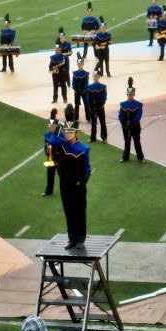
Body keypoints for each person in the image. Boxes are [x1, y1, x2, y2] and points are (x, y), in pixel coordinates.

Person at [56, 119, 92, 248]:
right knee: (68, 211)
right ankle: (72, 238)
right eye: (66, 132)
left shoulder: (84, 148)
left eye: (71, 132)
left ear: (76, 132)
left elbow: (87, 168)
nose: (68, 134)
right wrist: (57, 127)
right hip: (65, 185)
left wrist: (82, 181)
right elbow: (52, 141)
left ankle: (80, 239)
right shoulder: (62, 145)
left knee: (79, 211)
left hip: (77, 185)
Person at [118, 77, 144, 162]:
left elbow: (138, 116)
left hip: (135, 126)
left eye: (131, 94)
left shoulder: (138, 104)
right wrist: (124, 124)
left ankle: (140, 157)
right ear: (127, 94)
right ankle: (125, 157)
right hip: (126, 126)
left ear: (134, 94)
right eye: (129, 94)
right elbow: (120, 115)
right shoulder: (123, 104)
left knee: (137, 141)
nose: (130, 96)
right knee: (127, 142)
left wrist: (133, 124)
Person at [41, 110, 64, 197]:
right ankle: (48, 191)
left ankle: (65, 190)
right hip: (51, 157)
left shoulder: (61, 135)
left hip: (59, 156)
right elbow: (45, 145)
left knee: (62, 174)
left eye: (53, 126)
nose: (51, 128)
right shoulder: (47, 134)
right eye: (50, 126)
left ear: (56, 127)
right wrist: (46, 152)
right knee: (50, 175)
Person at [86, 71, 108, 142]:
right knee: (93, 122)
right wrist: (90, 105)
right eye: (94, 76)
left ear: (99, 77)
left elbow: (104, 97)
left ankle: (104, 138)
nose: (95, 77)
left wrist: (101, 104)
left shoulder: (103, 86)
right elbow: (88, 97)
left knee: (102, 122)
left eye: (97, 76)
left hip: (100, 107)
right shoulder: (89, 87)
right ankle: (92, 138)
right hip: (92, 107)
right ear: (93, 77)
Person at [70, 54, 89, 122]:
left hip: (84, 91)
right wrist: (76, 89)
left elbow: (86, 83)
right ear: (77, 65)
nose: (79, 65)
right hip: (77, 91)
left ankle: (88, 118)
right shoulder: (75, 73)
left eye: (81, 64)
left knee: (86, 104)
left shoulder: (86, 73)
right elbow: (73, 82)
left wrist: (82, 90)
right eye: (78, 64)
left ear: (83, 64)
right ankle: (76, 117)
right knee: (76, 105)